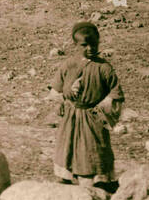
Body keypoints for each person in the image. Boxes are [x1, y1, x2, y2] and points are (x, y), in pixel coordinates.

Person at [50, 21, 123, 190]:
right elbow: (57, 88)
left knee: (95, 148)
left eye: (94, 44)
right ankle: (65, 176)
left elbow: (115, 93)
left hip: (93, 118)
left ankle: (100, 179)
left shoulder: (104, 68)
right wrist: (60, 101)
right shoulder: (69, 64)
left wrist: (103, 112)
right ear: (76, 45)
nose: (90, 48)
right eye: (84, 45)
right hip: (71, 115)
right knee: (67, 144)